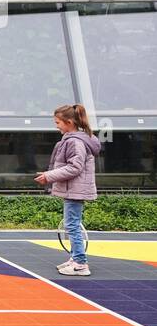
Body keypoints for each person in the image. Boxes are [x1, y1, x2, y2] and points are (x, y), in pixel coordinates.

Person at [35, 103, 102, 276]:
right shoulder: (76, 139)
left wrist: (49, 176)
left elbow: (75, 167)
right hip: (73, 189)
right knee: (71, 225)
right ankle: (76, 258)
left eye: (58, 122)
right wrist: (50, 174)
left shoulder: (74, 142)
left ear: (69, 122)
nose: (56, 126)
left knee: (72, 226)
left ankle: (80, 263)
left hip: (75, 190)